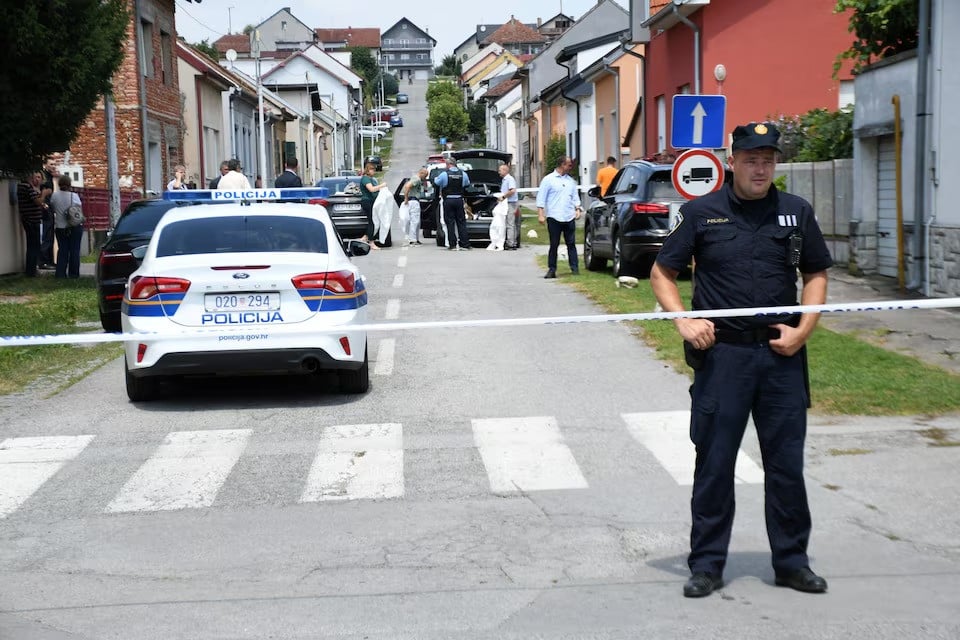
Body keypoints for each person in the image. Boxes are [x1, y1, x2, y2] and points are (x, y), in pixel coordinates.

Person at [649, 122, 834, 599]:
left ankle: (792, 562)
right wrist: (684, 322)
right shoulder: (701, 213)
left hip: (781, 355)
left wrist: (804, 331)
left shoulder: (795, 211)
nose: (760, 167)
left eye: (768, 159)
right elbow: (662, 272)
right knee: (714, 464)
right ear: (733, 161)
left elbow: (815, 274)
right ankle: (707, 565)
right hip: (724, 358)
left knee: (786, 465)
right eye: (751, 159)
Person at [536, 155, 582, 277]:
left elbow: (575, 198)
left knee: (571, 243)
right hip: (554, 216)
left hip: (568, 216)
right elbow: (541, 198)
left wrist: (577, 209)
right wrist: (541, 214)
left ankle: (575, 268)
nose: (570, 167)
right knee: (554, 244)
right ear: (562, 165)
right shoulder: (548, 180)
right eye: (569, 165)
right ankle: (552, 269)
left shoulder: (570, 181)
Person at [16, 171, 50, 277]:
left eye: (39, 177)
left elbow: (35, 201)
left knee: (34, 245)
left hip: (32, 219)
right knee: (33, 246)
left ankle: (32, 269)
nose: (37, 180)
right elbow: (37, 201)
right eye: (35, 177)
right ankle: (31, 271)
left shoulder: (28, 187)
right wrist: (44, 194)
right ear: (30, 177)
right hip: (30, 220)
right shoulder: (26, 187)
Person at [433, 156, 471, 250]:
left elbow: (436, 183)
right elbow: (467, 184)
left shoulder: (444, 174)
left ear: (449, 164)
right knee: (461, 222)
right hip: (459, 200)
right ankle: (464, 244)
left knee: (450, 222)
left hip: (448, 200)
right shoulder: (463, 174)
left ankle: (452, 244)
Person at [50, 174, 83, 279]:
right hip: (74, 226)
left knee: (63, 250)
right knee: (74, 250)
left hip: (60, 227)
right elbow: (79, 210)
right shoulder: (74, 196)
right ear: (69, 184)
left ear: (59, 184)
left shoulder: (54, 196)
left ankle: (60, 274)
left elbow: (53, 208)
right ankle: (74, 274)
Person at [359, 161, 388, 249]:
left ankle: (365, 237)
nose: (374, 172)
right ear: (368, 170)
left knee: (373, 221)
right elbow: (371, 189)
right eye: (372, 170)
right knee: (372, 222)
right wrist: (381, 186)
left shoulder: (370, 179)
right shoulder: (365, 179)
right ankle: (371, 242)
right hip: (368, 202)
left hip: (372, 202)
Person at [39, 158, 58, 269]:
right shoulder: (44, 178)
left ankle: (50, 260)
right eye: (51, 164)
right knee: (47, 235)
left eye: (54, 164)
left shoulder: (49, 176)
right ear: (45, 165)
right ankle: (43, 261)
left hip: (49, 208)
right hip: (45, 209)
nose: (53, 166)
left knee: (50, 235)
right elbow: (42, 193)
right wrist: (44, 204)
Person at [401, 167, 428, 245]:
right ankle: (413, 239)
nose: (425, 178)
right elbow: (407, 186)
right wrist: (406, 198)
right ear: (422, 173)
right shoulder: (417, 179)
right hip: (413, 201)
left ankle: (415, 238)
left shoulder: (414, 178)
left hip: (412, 200)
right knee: (415, 221)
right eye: (425, 176)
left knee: (416, 221)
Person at [497, 162, 520, 250]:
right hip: (507, 203)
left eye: (500, 170)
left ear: (505, 170)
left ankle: (511, 243)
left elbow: (512, 191)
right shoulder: (504, 180)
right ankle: (511, 242)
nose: (498, 172)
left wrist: (503, 197)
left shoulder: (510, 179)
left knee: (510, 223)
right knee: (510, 223)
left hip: (511, 203)